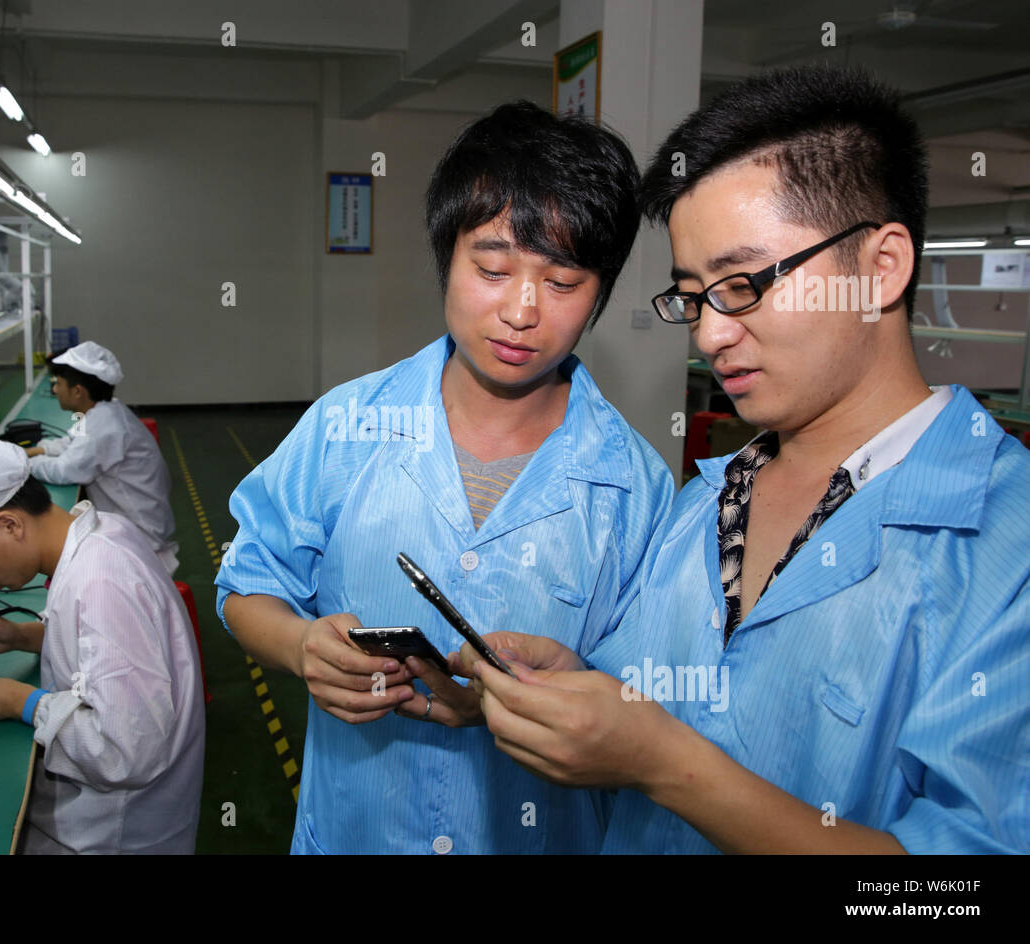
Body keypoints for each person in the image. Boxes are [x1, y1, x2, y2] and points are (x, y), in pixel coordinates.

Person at [463, 66, 1030, 853]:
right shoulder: (708, 502)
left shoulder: (1007, 543)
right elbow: (664, 697)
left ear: (882, 266)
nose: (709, 334)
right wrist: (574, 682)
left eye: (742, 284)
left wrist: (666, 767)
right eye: (693, 296)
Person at [216, 100, 675, 853]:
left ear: (602, 289)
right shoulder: (345, 426)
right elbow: (246, 584)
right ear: (447, 259)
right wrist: (301, 648)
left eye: (562, 282)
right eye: (493, 268)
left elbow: (651, 697)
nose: (522, 311)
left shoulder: (636, 489)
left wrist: (557, 692)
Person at [0, 439, 205, 854]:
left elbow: (124, 750)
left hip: (114, 834)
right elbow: (100, 643)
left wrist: (21, 702)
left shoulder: (101, 581)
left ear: (10, 524)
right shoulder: (102, 532)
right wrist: (16, 636)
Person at [25, 341, 181, 576]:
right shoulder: (105, 412)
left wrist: (21, 464)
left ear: (78, 391)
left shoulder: (105, 426)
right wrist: (32, 451)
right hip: (136, 527)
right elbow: (69, 443)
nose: (55, 390)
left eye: (58, 383)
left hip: (140, 545)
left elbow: (65, 470)